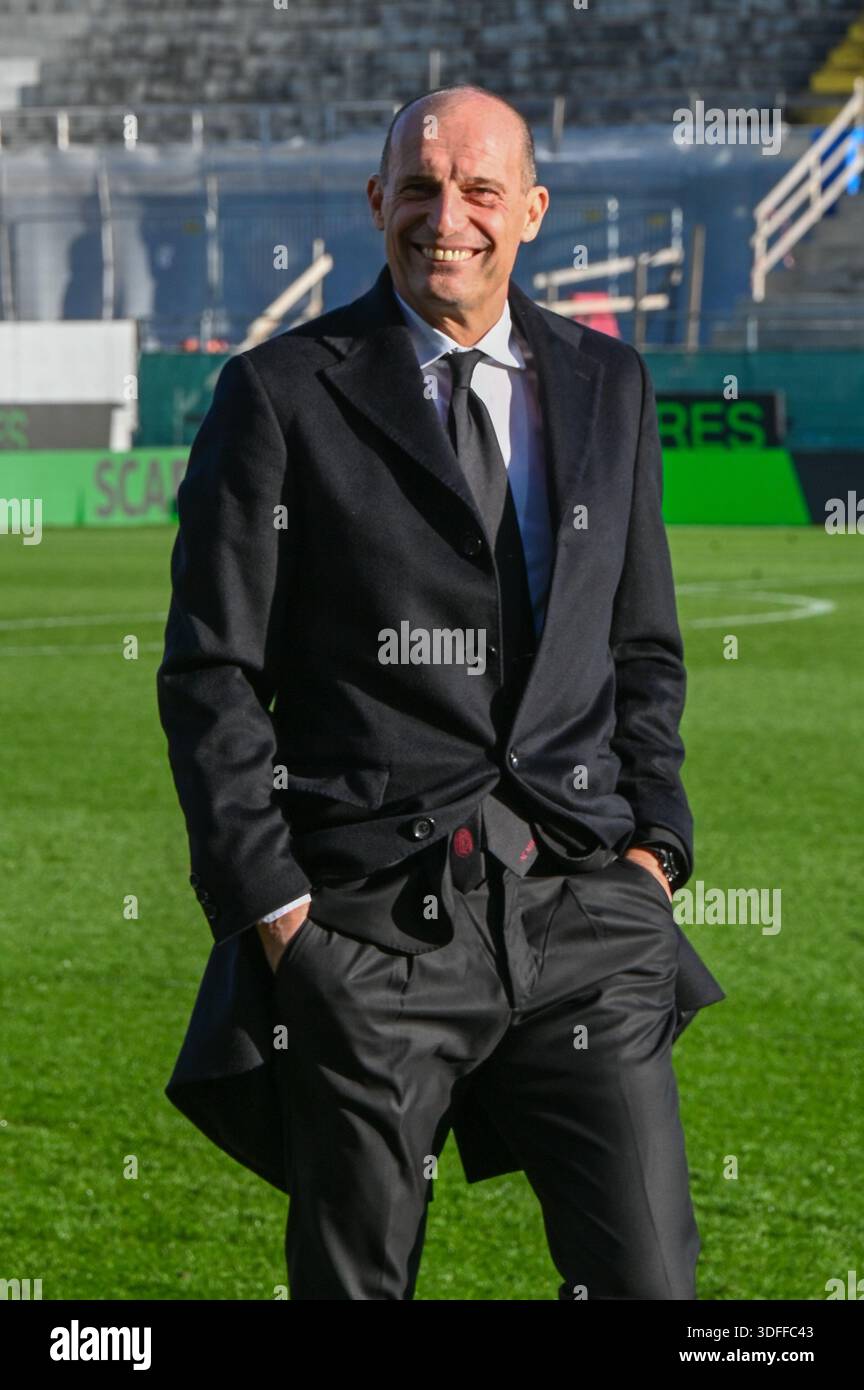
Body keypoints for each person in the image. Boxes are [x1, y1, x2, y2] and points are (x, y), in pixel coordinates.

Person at [156, 83, 725, 1301]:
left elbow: (643, 649)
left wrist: (657, 853)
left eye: (477, 189)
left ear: (531, 210)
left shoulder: (609, 386)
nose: (445, 216)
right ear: (377, 203)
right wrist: (280, 914)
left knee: (652, 1288)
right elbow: (213, 673)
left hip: (587, 919)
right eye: (418, 187)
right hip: (366, 936)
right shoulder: (280, 392)